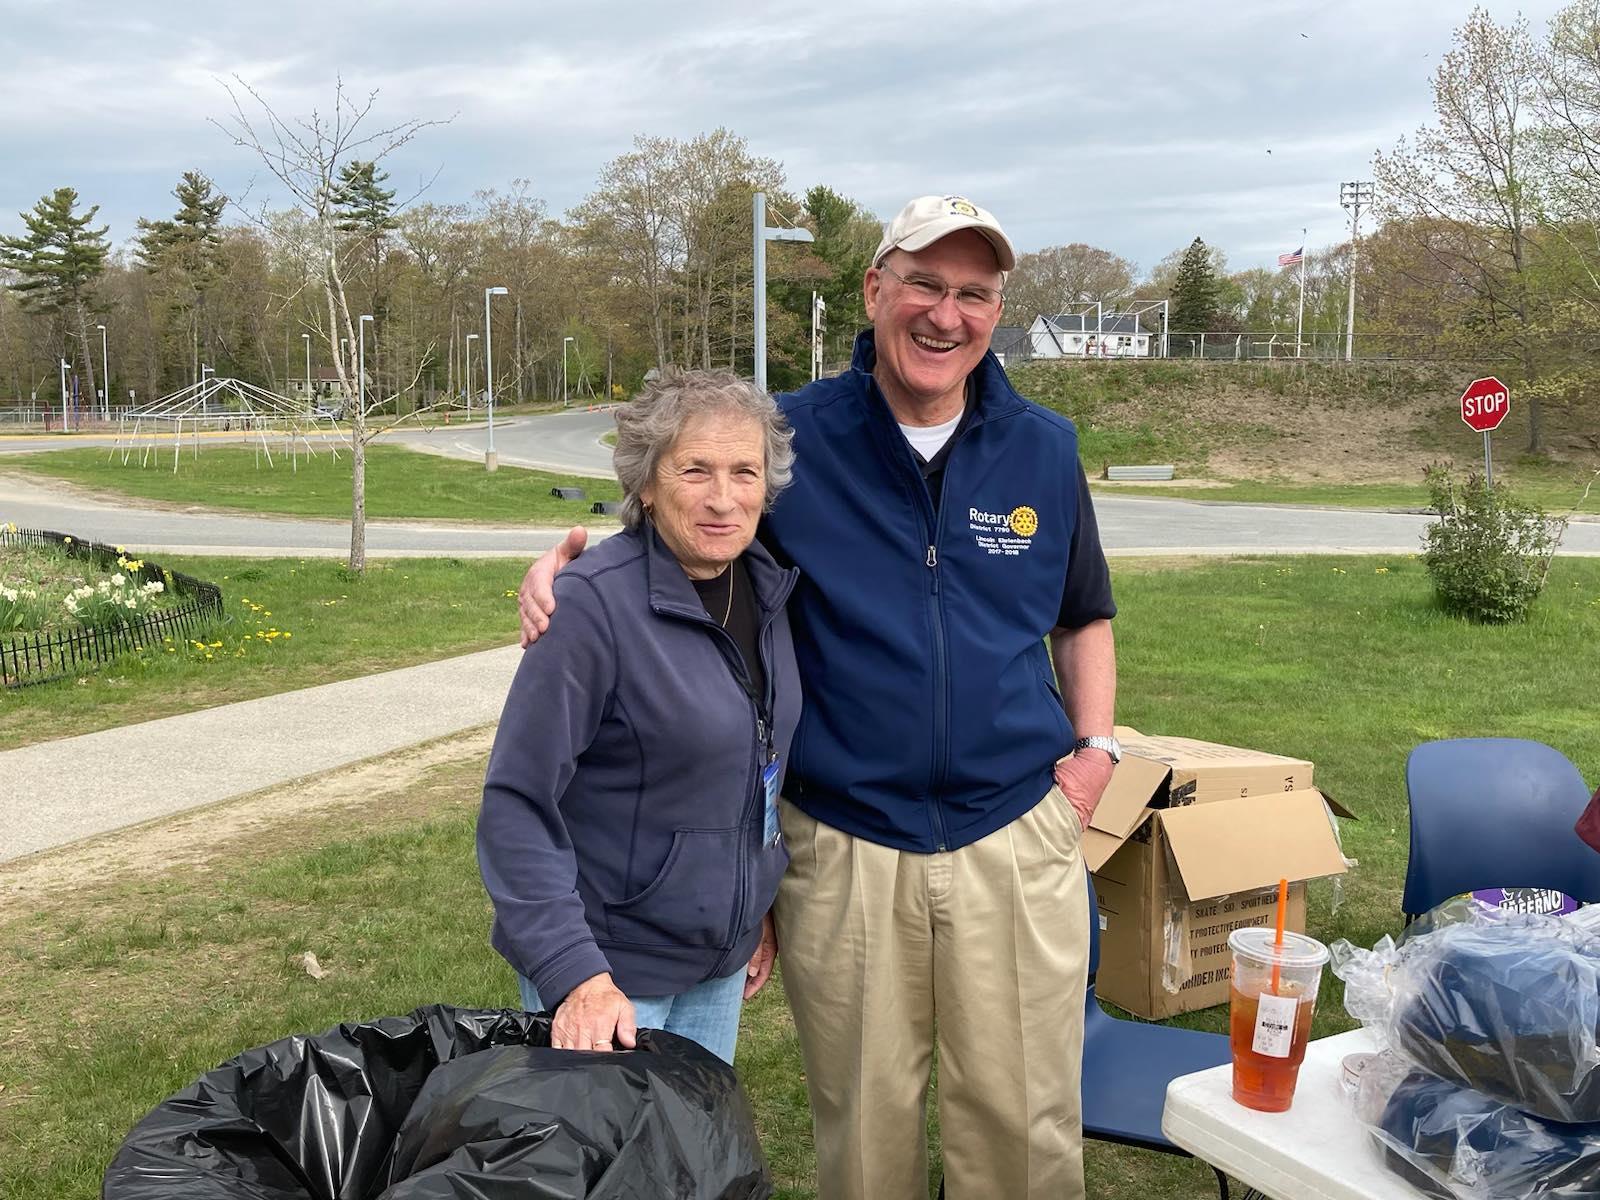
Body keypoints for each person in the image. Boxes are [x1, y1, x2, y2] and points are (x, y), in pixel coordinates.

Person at [519, 195, 1119, 1200]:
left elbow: (1082, 614)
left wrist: (1095, 750)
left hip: (1017, 833)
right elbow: (687, 533)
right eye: (923, 283)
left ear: (995, 311)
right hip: (843, 846)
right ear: (876, 289)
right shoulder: (794, 438)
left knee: (1024, 1125)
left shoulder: (1042, 449)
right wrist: (567, 571)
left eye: (973, 294)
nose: (945, 314)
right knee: (864, 1127)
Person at [478, 368, 800, 1066]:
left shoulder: (767, 592)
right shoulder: (592, 608)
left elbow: (753, 768)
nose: (723, 498)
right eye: (695, 470)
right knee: (606, 1169)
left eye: (744, 472)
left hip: (717, 963)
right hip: (612, 974)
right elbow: (515, 804)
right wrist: (577, 975)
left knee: (688, 1161)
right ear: (646, 485)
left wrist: (754, 909)